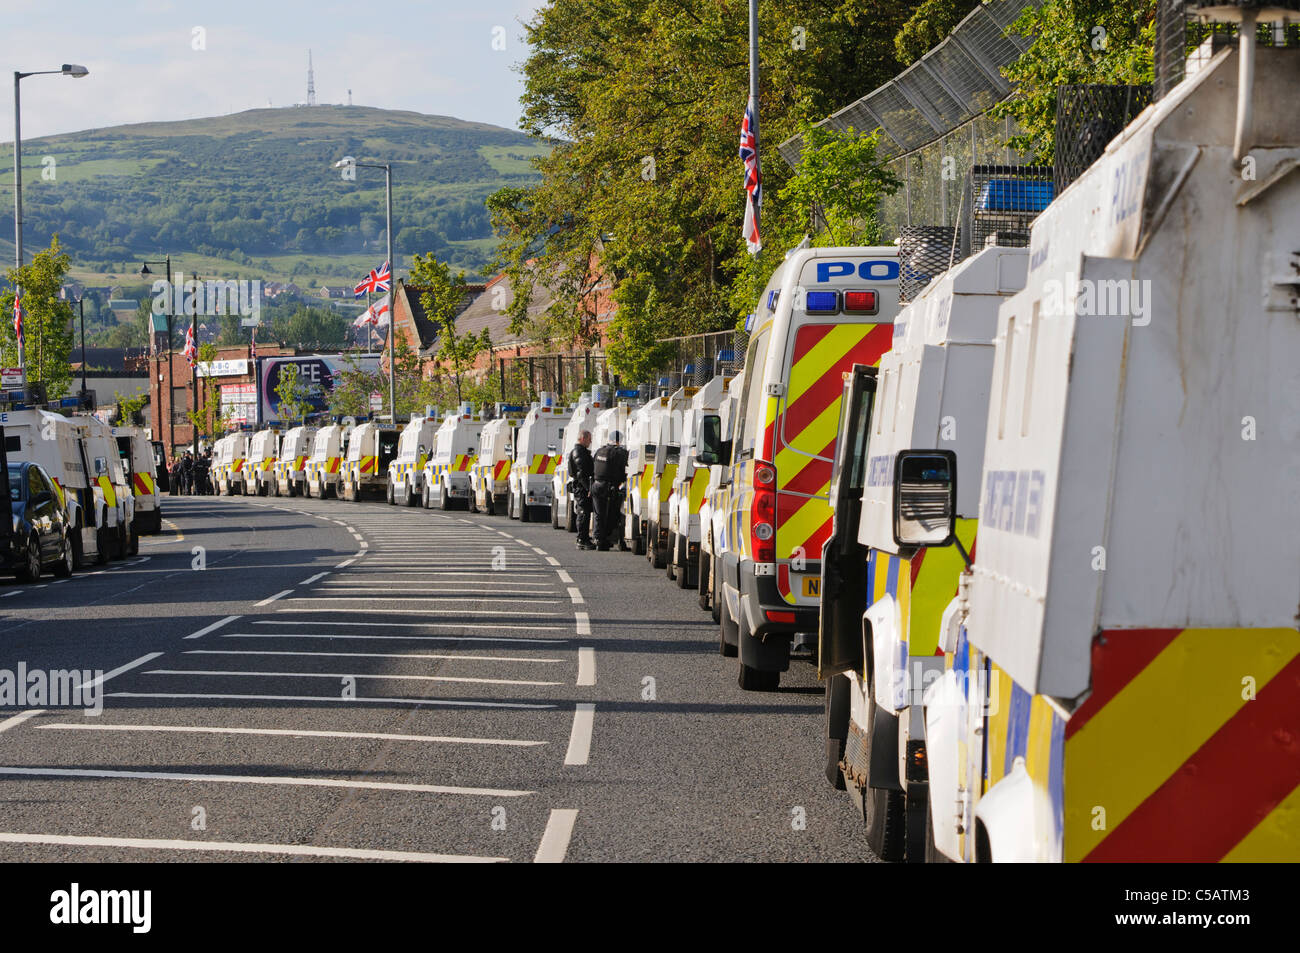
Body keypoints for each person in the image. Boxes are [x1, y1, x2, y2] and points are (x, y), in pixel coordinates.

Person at [591, 430, 629, 551]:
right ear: (619, 440)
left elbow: (594, 468)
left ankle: (598, 539)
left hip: (596, 485)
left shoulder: (600, 451)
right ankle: (605, 539)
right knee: (610, 514)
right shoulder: (619, 452)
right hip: (608, 487)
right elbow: (621, 471)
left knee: (598, 514)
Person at [568, 430, 595, 549]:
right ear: (583, 438)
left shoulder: (581, 451)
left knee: (586, 512)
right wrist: (588, 488)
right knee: (583, 512)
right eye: (589, 439)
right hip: (581, 487)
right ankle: (581, 539)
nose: (591, 441)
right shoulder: (578, 452)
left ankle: (584, 537)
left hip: (582, 486)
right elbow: (581, 473)